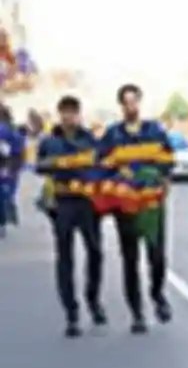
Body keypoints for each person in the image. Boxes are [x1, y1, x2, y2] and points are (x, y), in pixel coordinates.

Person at [99, 83, 174, 333]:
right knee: (130, 259)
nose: (131, 106)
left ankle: (157, 294)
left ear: (140, 103)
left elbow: (168, 159)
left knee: (157, 255)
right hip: (126, 205)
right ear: (121, 105)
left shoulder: (154, 131)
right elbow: (101, 164)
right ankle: (137, 313)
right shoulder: (112, 135)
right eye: (126, 102)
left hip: (152, 203)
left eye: (134, 101)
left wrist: (163, 179)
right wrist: (116, 173)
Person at [34, 95, 106, 337]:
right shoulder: (50, 141)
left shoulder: (90, 140)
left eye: (73, 112)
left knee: (95, 252)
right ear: (59, 114)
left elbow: (101, 166)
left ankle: (93, 299)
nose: (68, 116)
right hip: (63, 202)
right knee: (65, 257)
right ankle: (71, 313)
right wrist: (65, 163)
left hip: (87, 202)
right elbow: (40, 166)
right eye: (64, 112)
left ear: (79, 114)